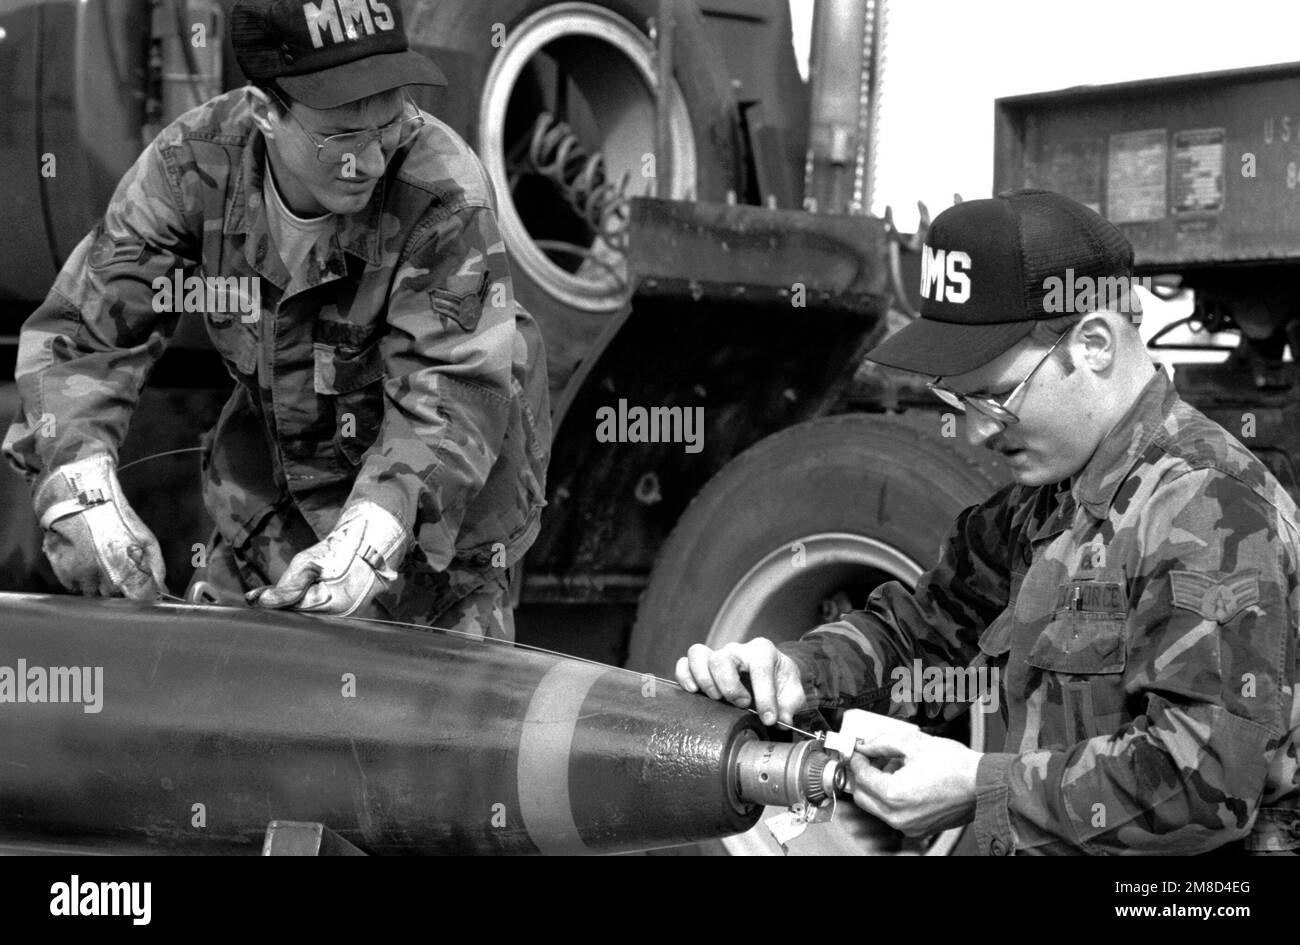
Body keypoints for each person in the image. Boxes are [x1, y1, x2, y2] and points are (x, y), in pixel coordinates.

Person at [676, 190, 1300, 854]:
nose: (976, 429)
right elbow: (922, 628)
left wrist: (981, 787)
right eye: (957, 397)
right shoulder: (1043, 504)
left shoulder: (1214, 509)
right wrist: (800, 671)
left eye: (997, 397)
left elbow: (1203, 782)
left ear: (1091, 344)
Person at [2, 0, 549, 641]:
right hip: (270, 507)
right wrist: (78, 487)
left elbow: (451, 391)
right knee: (219, 712)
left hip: (433, 541)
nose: (371, 162)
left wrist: (371, 535)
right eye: (343, 138)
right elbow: (83, 335)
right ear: (266, 112)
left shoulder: (440, 191)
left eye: (390, 122)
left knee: (436, 733)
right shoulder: (194, 166)